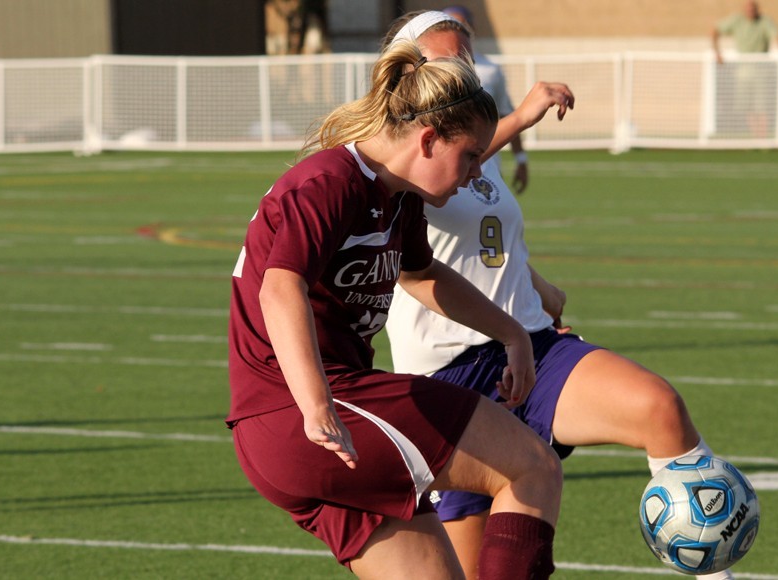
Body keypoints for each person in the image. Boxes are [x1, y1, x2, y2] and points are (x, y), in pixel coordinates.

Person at [383, 11, 735, 580]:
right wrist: (520, 117)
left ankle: (715, 568)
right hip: (448, 376)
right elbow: (425, 214)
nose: (460, 71)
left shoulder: (477, 149)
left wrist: (539, 288)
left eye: (466, 61)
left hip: (534, 347)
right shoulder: (394, 154)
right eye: (445, 60)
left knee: (659, 408)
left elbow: (486, 242)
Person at [227, 38, 566, 579]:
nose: (477, 172)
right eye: (471, 155)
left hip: (299, 431)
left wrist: (514, 334)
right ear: (428, 139)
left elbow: (422, 275)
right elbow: (279, 286)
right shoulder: (331, 182)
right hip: (314, 414)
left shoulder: (396, 194)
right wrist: (316, 405)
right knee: (533, 467)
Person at [442, 4, 530, 194]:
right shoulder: (427, 70)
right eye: (449, 24)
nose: (456, 30)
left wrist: (521, 159)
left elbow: (506, 114)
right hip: (442, 167)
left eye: (461, 25)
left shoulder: (490, 70)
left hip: (485, 166)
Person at [710, 1, 778, 137]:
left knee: (762, 106)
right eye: (748, 8)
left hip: (761, 73)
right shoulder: (737, 20)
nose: (750, 11)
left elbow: (776, 35)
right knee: (747, 107)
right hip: (743, 74)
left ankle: (763, 137)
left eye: (753, 8)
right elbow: (714, 30)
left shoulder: (765, 21)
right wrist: (717, 52)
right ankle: (755, 136)